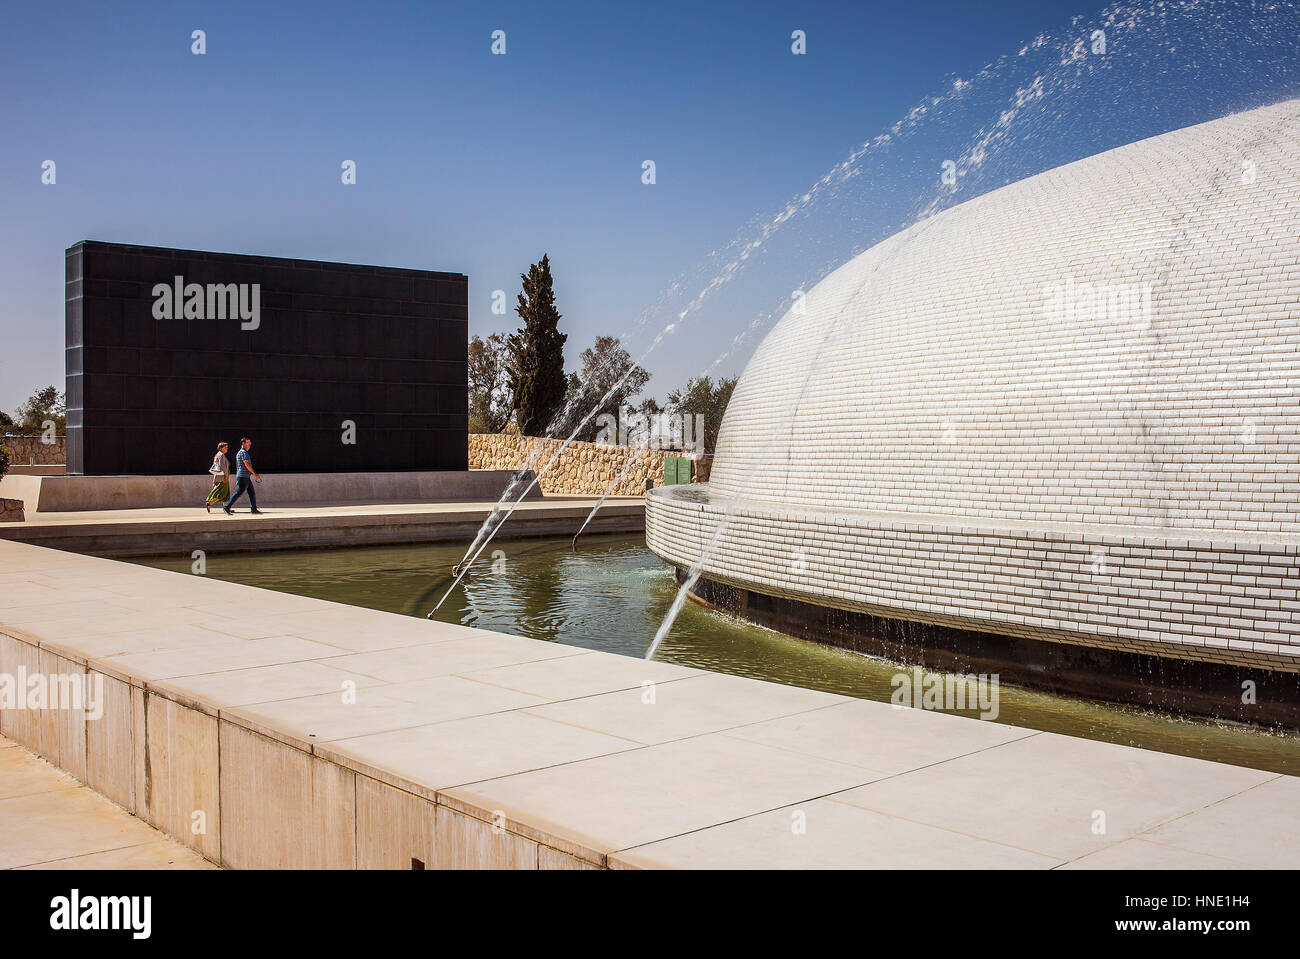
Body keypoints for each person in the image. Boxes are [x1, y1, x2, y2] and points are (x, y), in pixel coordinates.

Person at [223, 437, 263, 515]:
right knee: (239, 492)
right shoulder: (244, 453)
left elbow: (239, 466)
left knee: (251, 492)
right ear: (243, 443)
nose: (250, 444)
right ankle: (227, 506)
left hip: (244, 476)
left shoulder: (240, 452)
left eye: (250, 443)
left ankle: (254, 509)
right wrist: (255, 474)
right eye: (248, 443)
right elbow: (246, 464)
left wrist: (238, 478)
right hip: (243, 476)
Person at [205, 441, 230, 512]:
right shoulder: (221, 455)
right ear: (221, 448)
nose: (227, 448)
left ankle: (226, 508)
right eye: (225, 447)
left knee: (225, 493)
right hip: (222, 478)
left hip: (220, 477)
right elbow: (222, 466)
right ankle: (210, 503)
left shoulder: (218, 455)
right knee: (221, 493)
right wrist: (226, 475)